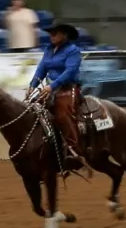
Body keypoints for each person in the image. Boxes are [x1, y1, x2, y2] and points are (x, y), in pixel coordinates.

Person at [27, 22, 88, 172]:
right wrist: (32, 85)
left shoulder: (73, 51)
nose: (52, 36)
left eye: (55, 33)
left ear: (65, 35)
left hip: (68, 88)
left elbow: (70, 72)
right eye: (51, 33)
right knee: (32, 110)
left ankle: (74, 152)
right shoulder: (48, 49)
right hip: (50, 89)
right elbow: (41, 68)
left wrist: (52, 86)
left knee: (62, 115)